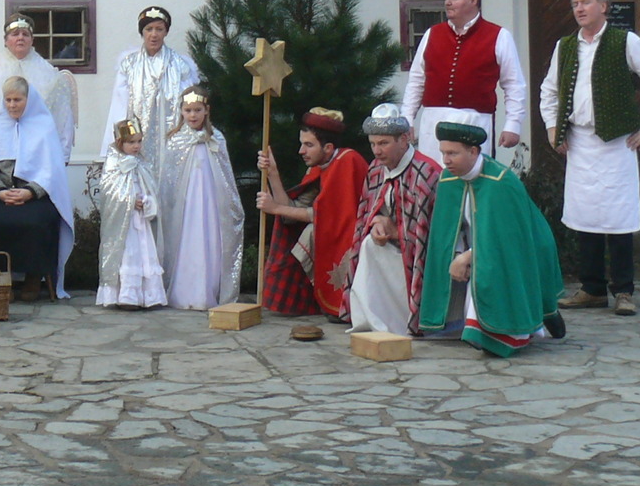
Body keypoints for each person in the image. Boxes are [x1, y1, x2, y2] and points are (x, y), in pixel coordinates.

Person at [538, 0, 640, 318]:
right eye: (575, 4)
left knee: (618, 217)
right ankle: (592, 289)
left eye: (585, 2)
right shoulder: (566, 46)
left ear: (603, 6)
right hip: (580, 143)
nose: (580, 9)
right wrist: (555, 128)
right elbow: (549, 90)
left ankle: (624, 291)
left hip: (616, 143)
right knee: (585, 216)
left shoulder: (625, 41)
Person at [418, 121, 567, 356]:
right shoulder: (448, 180)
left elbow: (509, 243)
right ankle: (464, 323)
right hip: (476, 250)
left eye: (452, 153)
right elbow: (446, 234)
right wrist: (457, 254)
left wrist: (469, 256)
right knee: (469, 265)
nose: (445, 160)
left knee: (487, 267)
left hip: (525, 248)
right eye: (443, 153)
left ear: (474, 151)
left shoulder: (500, 182)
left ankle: (508, 329)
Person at [255, 107, 368, 318]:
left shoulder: (346, 161)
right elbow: (292, 212)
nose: (301, 151)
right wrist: (272, 173)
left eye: (308, 145)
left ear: (328, 147)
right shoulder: (319, 166)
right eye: (302, 144)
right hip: (338, 233)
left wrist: (275, 208)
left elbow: (323, 217)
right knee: (301, 230)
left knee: (310, 232)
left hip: (360, 235)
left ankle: (340, 302)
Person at [402, 0, 527, 162]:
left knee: (473, 183)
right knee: (432, 180)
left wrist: (513, 125)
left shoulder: (499, 36)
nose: (447, 2)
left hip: (474, 123)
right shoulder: (432, 34)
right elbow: (417, 80)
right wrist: (407, 118)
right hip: (433, 124)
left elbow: (514, 85)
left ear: (473, 0)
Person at [0, 75, 75, 301]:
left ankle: (33, 276)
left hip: (35, 195)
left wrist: (31, 191)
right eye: (8, 100)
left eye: (17, 99)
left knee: (35, 221)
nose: (12, 105)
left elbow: (52, 171)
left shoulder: (44, 124)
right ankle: (1, 276)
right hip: (0, 195)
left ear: (29, 99)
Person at [345, 103, 442, 335]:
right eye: (373, 144)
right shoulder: (375, 170)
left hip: (420, 256)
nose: (376, 151)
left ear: (404, 139)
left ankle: (407, 321)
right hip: (389, 243)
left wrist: (396, 230)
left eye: (383, 143)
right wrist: (377, 222)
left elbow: (431, 234)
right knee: (368, 245)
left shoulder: (426, 173)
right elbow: (368, 212)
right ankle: (372, 322)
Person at [158, 86, 244, 310]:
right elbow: (168, 182)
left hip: (211, 205)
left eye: (197, 110)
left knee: (210, 243)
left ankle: (208, 292)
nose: (192, 115)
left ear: (207, 110)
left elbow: (225, 176)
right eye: (188, 110)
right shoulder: (175, 140)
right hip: (185, 209)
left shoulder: (216, 139)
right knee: (187, 244)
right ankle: (183, 293)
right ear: (181, 111)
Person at [0, 16, 79, 166]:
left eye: (25, 34)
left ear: (32, 40)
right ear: (6, 40)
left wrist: (63, 154)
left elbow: (63, 116)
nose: (20, 38)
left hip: (37, 154)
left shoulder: (51, 75)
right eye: (15, 34)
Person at [100, 7, 200, 176]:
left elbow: (190, 108)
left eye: (159, 29)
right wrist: (117, 146)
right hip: (137, 143)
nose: (154, 34)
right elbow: (119, 107)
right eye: (149, 29)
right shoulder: (129, 65)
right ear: (142, 32)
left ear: (166, 32)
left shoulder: (180, 66)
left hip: (171, 142)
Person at [95, 119, 165, 309]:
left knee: (143, 253)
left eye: (139, 141)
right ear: (120, 143)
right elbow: (108, 191)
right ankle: (126, 296)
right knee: (128, 254)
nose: (136, 146)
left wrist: (147, 201)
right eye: (131, 142)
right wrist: (129, 201)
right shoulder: (113, 163)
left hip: (141, 220)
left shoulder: (142, 163)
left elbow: (151, 188)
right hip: (123, 224)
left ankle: (146, 295)